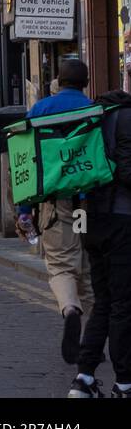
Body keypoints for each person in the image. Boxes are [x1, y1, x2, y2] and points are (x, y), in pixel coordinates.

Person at [20, 58, 95, 366]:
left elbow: (24, 161)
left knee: (62, 267)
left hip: (55, 202)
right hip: (90, 203)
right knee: (89, 271)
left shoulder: (39, 110)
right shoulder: (95, 110)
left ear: (59, 81)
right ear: (85, 83)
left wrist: (24, 210)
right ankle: (91, 340)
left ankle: (69, 309)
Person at [69, 84, 131, 397]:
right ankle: (124, 383)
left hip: (91, 221)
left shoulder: (92, 118)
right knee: (123, 304)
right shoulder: (126, 118)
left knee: (103, 302)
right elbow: (126, 171)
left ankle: (84, 378)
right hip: (121, 220)